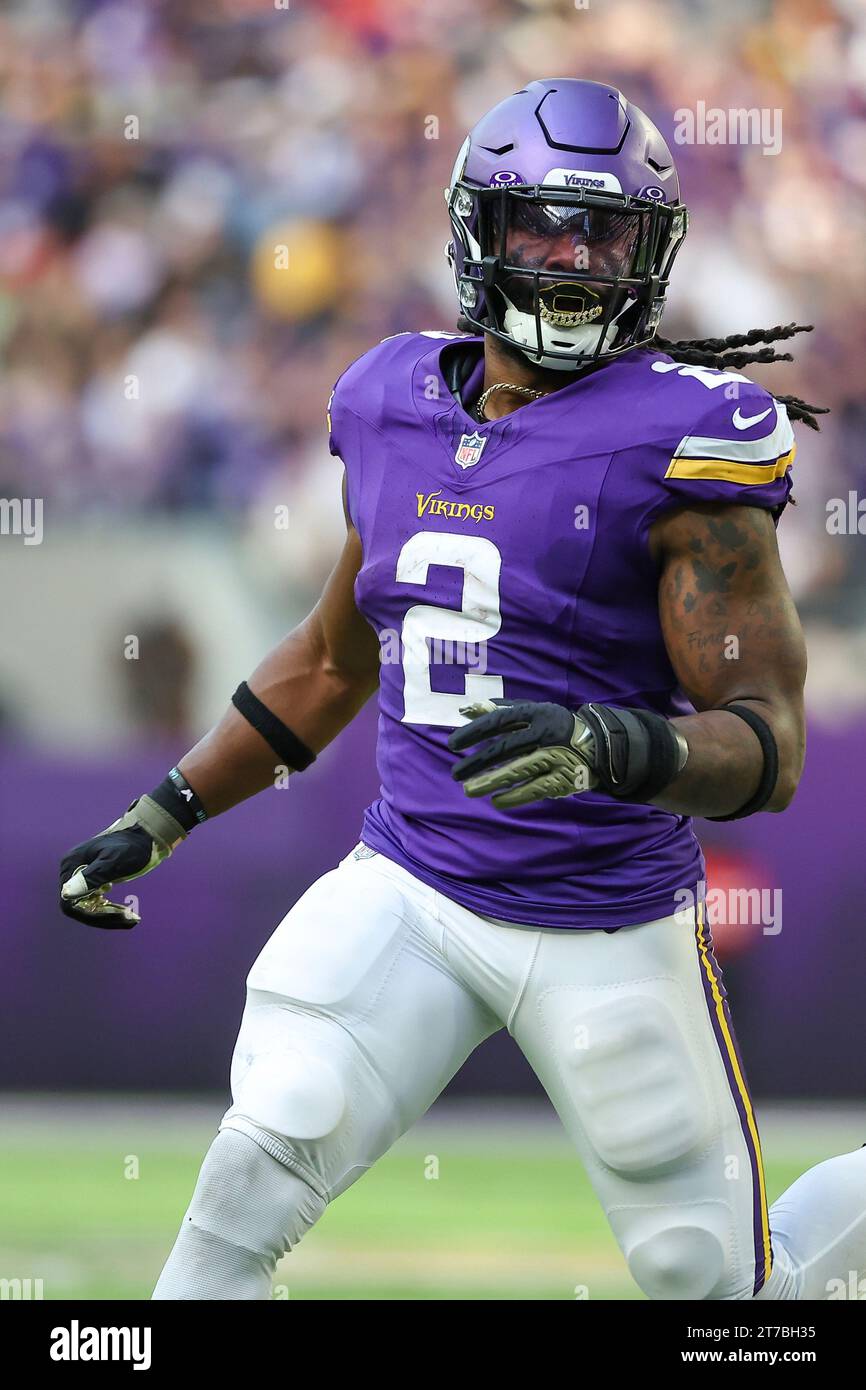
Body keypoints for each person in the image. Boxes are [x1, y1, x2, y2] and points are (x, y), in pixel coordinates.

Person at [60, 79, 859, 1302]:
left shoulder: (687, 435)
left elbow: (770, 745)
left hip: (606, 914)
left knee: (720, 1292)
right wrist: (164, 810)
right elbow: (333, 658)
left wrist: (612, 744)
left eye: (606, 233)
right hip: (414, 887)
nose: (574, 258)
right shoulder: (387, 400)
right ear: (476, 229)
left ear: (653, 254)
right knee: (246, 1180)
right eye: (543, 222)